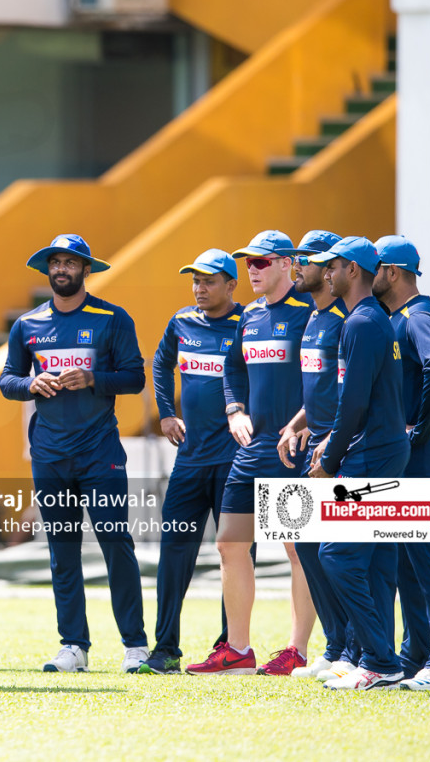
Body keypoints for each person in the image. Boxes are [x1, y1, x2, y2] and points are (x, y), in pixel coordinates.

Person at [0, 233, 148, 674]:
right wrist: (31, 384)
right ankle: (73, 647)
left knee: (115, 545)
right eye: (55, 262)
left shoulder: (112, 318)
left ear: (87, 269)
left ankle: (135, 646)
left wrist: (94, 378)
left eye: (70, 262)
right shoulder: (26, 324)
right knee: (61, 551)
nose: (61, 269)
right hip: (49, 455)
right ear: (48, 270)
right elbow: (8, 380)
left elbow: (135, 378)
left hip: (100, 453)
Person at [186, 230, 314, 676]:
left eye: (261, 262)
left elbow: (326, 380)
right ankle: (237, 650)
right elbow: (231, 369)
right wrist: (234, 409)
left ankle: (296, 651)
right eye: (248, 263)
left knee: (297, 548)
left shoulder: (309, 313)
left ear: (284, 263)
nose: (252, 270)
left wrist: (304, 422)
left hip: (294, 451)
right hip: (252, 449)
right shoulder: (251, 315)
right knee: (228, 544)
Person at [307, 236, 409, 691]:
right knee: (375, 562)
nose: (324, 273)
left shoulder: (362, 323)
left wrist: (330, 458)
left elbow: (353, 403)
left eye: (331, 266)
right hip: (379, 449)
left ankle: (380, 662)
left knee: (337, 556)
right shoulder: (367, 320)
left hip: (372, 455)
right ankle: (372, 658)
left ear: (351, 270)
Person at [140, 249, 243, 675]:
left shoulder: (247, 324)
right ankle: (165, 649)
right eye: (195, 281)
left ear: (231, 285)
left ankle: (229, 645)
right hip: (190, 459)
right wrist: (166, 412)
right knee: (174, 552)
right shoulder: (182, 321)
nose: (199, 288)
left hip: (236, 461)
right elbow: (160, 365)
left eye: (209, 281)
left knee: (234, 554)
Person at [373, 235, 430, 691]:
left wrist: (417, 430)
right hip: (407, 453)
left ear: (392, 272)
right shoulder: (397, 317)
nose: (366, 274)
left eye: (374, 267)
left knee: (425, 558)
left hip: (420, 454)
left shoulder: (418, 315)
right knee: (407, 561)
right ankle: (416, 656)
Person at [275, 230, 354, 680]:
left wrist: (332, 439)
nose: (297, 266)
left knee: (340, 554)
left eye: (305, 259)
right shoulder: (314, 317)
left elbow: (354, 392)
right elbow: (319, 390)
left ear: (330, 269)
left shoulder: (346, 318)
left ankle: (356, 649)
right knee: (304, 542)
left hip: (343, 451)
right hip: (316, 447)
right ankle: (336, 642)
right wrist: (296, 424)